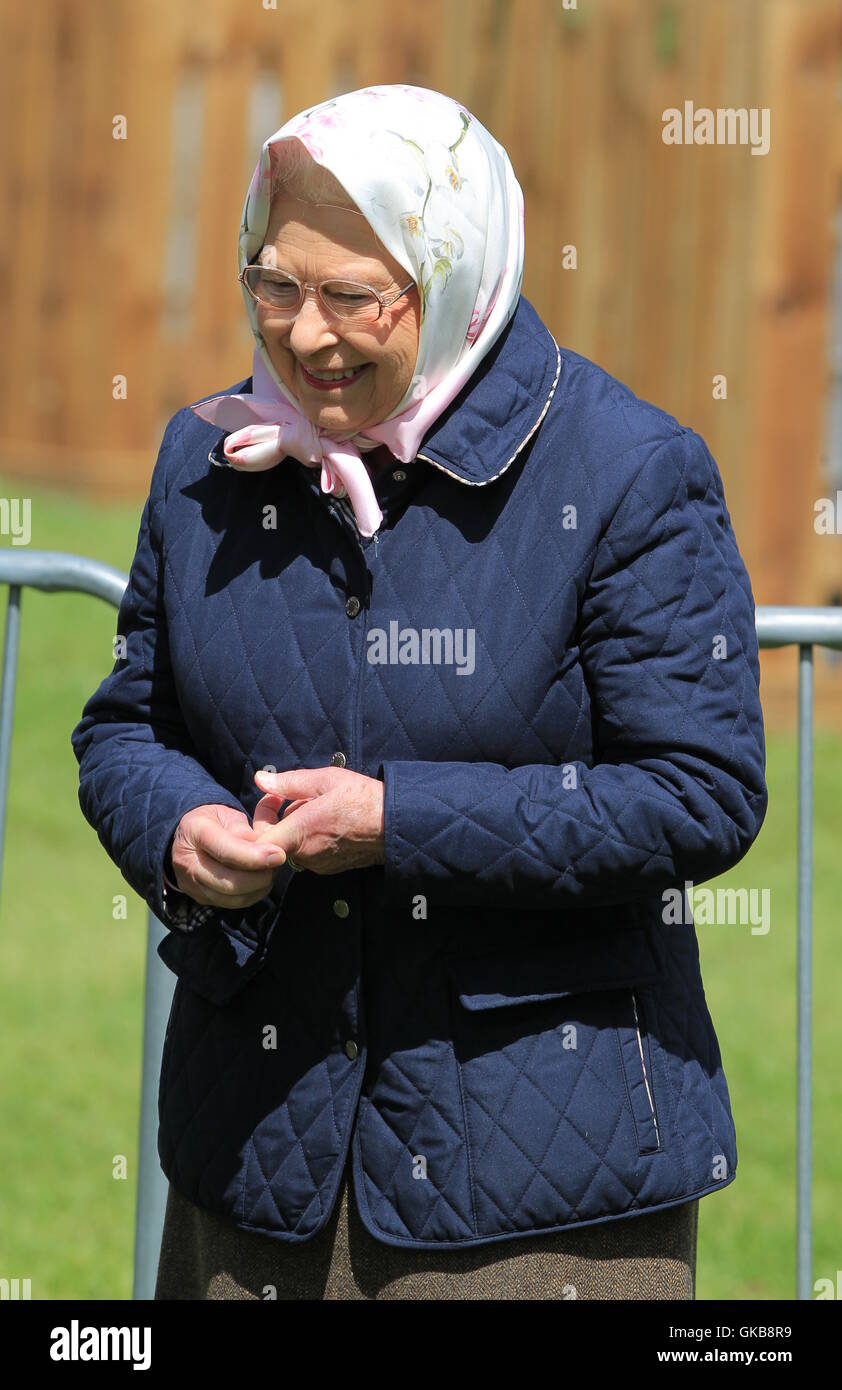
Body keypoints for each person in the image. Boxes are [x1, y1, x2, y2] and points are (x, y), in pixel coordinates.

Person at [71, 83, 768, 1300]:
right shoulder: (210, 457)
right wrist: (180, 830)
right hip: (257, 1158)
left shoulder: (627, 475)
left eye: (354, 295)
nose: (305, 334)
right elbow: (129, 721)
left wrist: (399, 824)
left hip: (531, 1201)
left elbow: (698, 792)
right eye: (274, 284)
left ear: (454, 277)